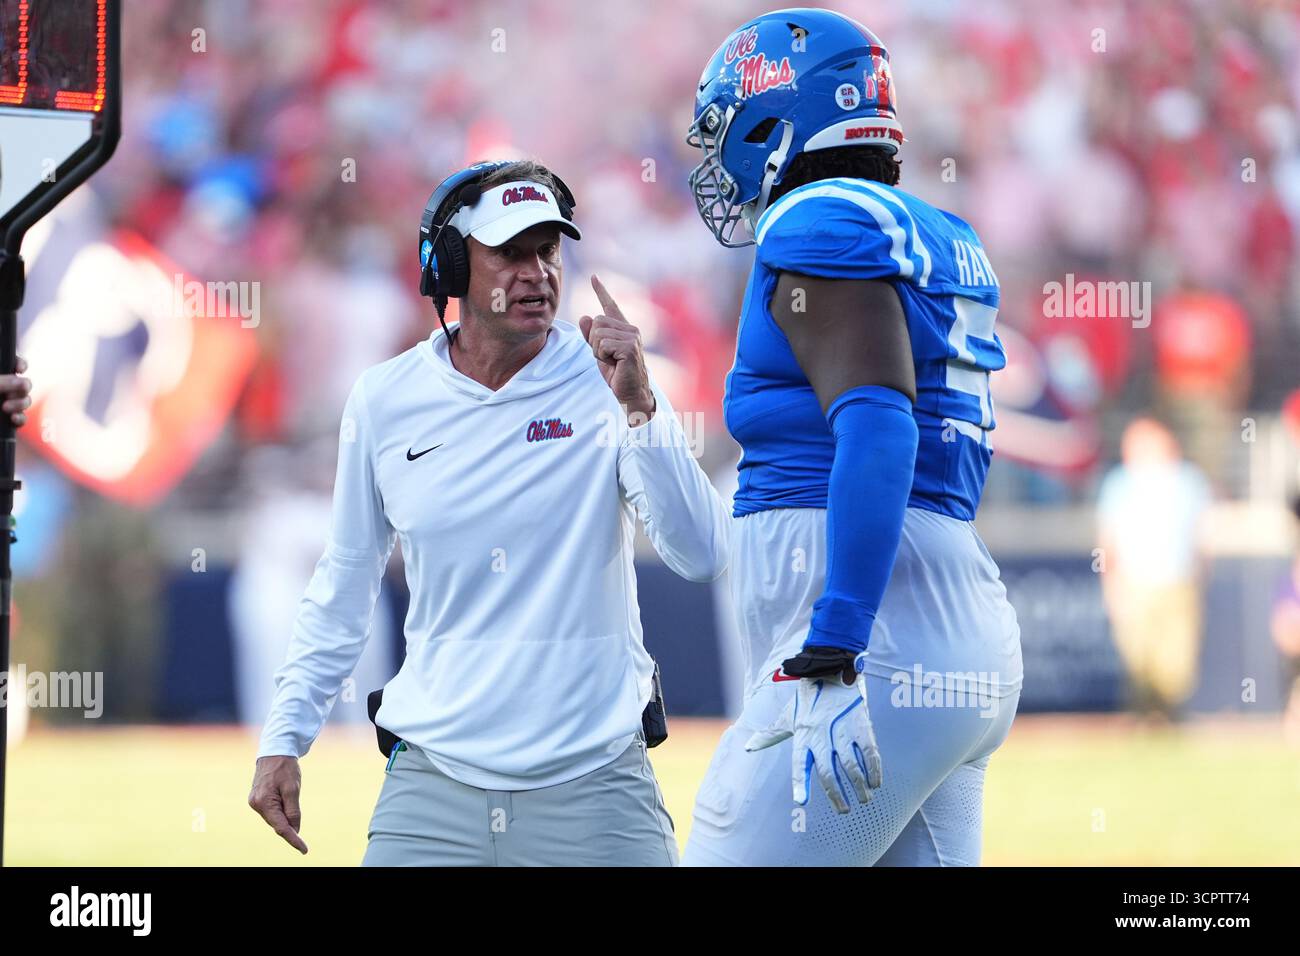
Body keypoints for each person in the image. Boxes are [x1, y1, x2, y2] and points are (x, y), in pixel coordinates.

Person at [247, 159, 729, 866]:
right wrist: (284, 738)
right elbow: (345, 582)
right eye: (510, 252)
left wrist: (640, 408)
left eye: (548, 250)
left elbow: (701, 553)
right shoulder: (384, 399)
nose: (537, 272)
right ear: (449, 265)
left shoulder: (608, 381)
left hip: (595, 789)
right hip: (433, 789)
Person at [680, 9, 1022, 866]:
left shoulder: (817, 222)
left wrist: (836, 643)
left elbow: (878, 424)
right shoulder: (942, 232)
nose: (719, 161)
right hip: (946, 613)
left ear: (775, 117)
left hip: (872, 627)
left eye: (726, 132)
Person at [1097, 416, 1210, 720]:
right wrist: (1111, 586)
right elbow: (1108, 542)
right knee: (1138, 661)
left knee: (1176, 664)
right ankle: (1143, 719)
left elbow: (1202, 536)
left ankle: (1169, 718)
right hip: (1135, 584)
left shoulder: (1189, 481)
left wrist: (1199, 579)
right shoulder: (1119, 483)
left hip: (1177, 582)